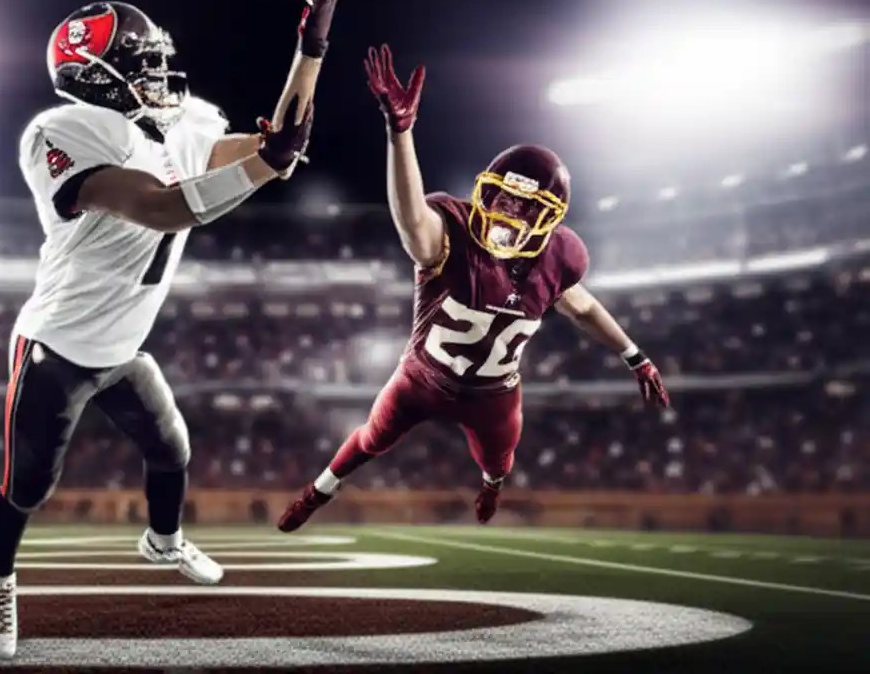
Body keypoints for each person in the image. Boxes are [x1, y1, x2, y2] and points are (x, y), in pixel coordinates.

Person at [0, 0, 348, 660]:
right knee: (27, 487)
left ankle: (163, 541)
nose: (158, 72)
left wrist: (313, 38)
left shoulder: (182, 125)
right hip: (58, 346)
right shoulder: (63, 131)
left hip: (123, 350)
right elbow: (159, 207)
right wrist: (266, 162)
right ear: (94, 76)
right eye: (140, 62)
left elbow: (275, 147)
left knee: (172, 448)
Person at [277, 44, 670, 533]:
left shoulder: (558, 257)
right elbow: (412, 222)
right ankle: (316, 493)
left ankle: (490, 486)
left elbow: (583, 306)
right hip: (421, 378)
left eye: (524, 206)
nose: (507, 212)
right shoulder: (452, 232)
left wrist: (636, 356)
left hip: (493, 393)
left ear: (548, 219)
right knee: (371, 440)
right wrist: (401, 132)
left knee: (499, 460)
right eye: (502, 197)